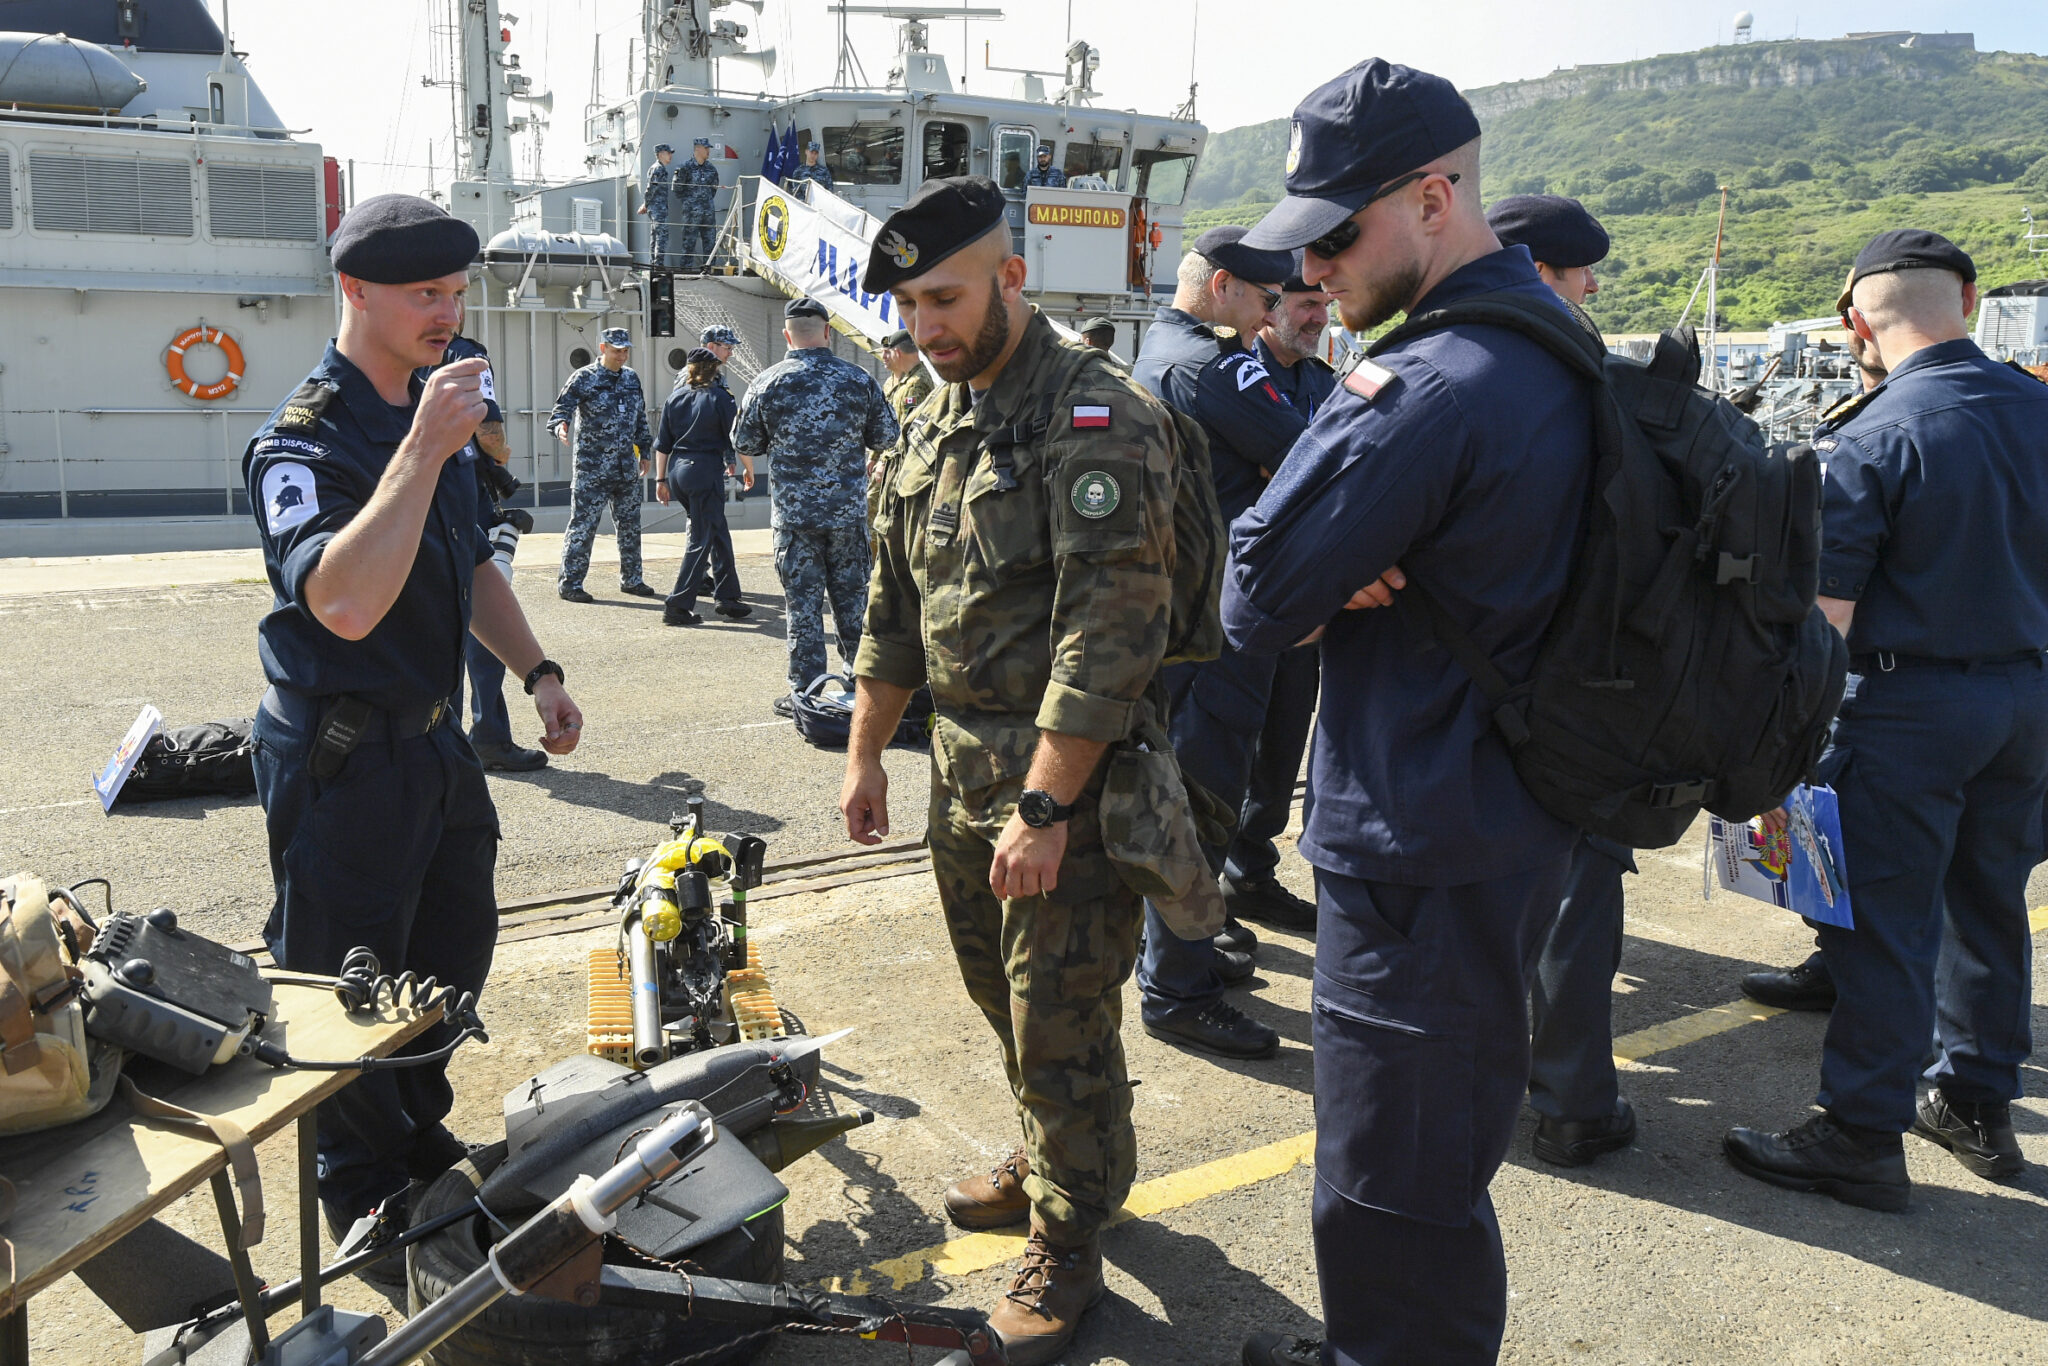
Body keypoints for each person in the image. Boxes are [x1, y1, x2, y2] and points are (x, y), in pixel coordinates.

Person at [1223, 60, 1597, 1366]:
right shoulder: (1553, 341)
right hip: (1506, 809)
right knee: (1431, 1153)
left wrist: (1315, 572)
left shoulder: (1424, 384)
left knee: (1393, 1182)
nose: (1314, 264)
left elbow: (1254, 594)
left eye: (1338, 230)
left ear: (1435, 196)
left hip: (1418, 846)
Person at [840, 175, 1182, 1366]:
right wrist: (865, 753)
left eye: (945, 296)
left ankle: (1070, 1236)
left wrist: (1044, 805)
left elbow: (1113, 628)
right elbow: (893, 603)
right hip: (959, 781)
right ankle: (1059, 1157)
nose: (926, 326)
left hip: (1063, 793)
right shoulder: (930, 417)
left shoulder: (1097, 417)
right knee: (1006, 1003)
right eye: (909, 306)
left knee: (1057, 1020)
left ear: (1010, 278)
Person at [242, 194, 583, 1275]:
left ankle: (413, 1138)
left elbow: (473, 558)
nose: (449, 311)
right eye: (424, 294)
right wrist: (424, 449)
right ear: (355, 292)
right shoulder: (304, 440)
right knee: (346, 984)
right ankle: (359, 1189)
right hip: (345, 759)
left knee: (446, 961)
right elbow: (341, 601)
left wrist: (538, 671)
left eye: (456, 290)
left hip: (436, 748)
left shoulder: (430, 408)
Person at [1725, 230, 2048, 1206]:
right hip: (2025, 698)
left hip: (1906, 705)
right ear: (1967, 297)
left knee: (1883, 928)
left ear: (1853, 320)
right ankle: (1974, 1102)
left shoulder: (1871, 434)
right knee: (1988, 904)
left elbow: (1822, 622)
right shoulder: (2038, 407)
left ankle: (1859, 1132)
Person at [1481, 192, 1639, 1169]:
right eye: (1580, 272)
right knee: (1579, 894)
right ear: (1544, 270)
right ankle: (1575, 1097)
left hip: (1473, 689)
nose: (1590, 290)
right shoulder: (1607, 385)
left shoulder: (1450, 375)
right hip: (1595, 690)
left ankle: (1481, 1087)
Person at [1129, 224, 1304, 1061]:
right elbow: (1316, 456)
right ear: (1226, 286)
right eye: (1269, 299)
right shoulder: (1215, 364)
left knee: (1170, 794)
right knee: (1202, 802)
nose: (1273, 316)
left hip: (1173, 612)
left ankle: (1168, 954)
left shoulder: (1154, 351)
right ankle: (1179, 989)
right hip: (1220, 622)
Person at [1738, 266, 1888, 1016]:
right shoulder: (2018, 405)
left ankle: (1878, 1012)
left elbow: (1831, 593)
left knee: (1874, 844)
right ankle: (1838, 961)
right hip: (2003, 679)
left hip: (1882, 675)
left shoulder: (1882, 429)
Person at [1218, 265, 1335, 934]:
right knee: (1224, 746)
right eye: (1304, 304)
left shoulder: (1325, 386)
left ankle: (1249, 874)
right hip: (1244, 595)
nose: (1318, 317)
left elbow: (1332, 466)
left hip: (1308, 596)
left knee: (1284, 742)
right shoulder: (1233, 376)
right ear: (1267, 311)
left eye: (1323, 305)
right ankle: (1199, 891)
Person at [732, 297, 896, 706]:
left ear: (788, 335)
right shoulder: (858, 379)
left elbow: (745, 442)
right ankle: (864, 688)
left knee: (803, 610)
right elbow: (887, 437)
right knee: (855, 604)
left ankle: (806, 692)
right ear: (827, 332)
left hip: (794, 518)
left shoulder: (767, 382)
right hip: (848, 517)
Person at [428, 324, 547, 773]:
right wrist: (500, 459)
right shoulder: (466, 352)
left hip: (423, 490)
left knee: (438, 618)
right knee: (483, 598)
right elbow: (487, 423)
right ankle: (490, 736)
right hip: (465, 491)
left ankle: (443, 736)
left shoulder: (402, 358)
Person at [550, 326, 657, 603]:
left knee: (631, 526)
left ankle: (632, 580)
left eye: (625, 351)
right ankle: (570, 583)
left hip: (625, 469)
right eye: (616, 350)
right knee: (583, 527)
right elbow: (561, 408)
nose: (622, 356)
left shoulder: (631, 379)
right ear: (603, 349)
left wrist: (645, 450)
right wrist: (560, 426)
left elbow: (640, 418)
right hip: (592, 470)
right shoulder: (584, 378)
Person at [654, 347, 753, 626]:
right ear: (715, 370)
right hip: (705, 471)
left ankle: (728, 598)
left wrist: (660, 481)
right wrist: (749, 467)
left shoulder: (674, 398)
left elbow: (662, 444)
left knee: (717, 531)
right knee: (701, 538)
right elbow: (738, 437)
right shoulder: (721, 398)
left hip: (678, 471)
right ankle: (677, 605)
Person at [699, 324, 751, 500]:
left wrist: (729, 457)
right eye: (727, 348)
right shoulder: (689, 378)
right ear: (711, 347)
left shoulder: (719, 378)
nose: (730, 353)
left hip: (714, 458)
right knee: (701, 516)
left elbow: (726, 421)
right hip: (697, 457)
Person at [675, 137, 723, 272]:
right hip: (691, 213)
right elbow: (677, 189)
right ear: (697, 149)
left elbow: (714, 188)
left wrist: (705, 201)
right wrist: (690, 202)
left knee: (710, 242)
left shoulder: (711, 168)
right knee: (689, 242)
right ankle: (685, 272)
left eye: (708, 148)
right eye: (706, 148)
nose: (708, 151)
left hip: (708, 212)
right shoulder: (685, 167)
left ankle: (708, 271)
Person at [638, 143, 676, 268]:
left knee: (655, 236)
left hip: (657, 207)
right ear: (660, 154)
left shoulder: (658, 168)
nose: (670, 156)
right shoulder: (658, 169)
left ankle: (654, 264)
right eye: (668, 153)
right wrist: (645, 204)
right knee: (662, 236)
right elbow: (651, 189)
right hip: (658, 208)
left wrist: (646, 204)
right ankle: (658, 265)